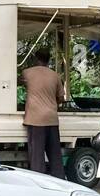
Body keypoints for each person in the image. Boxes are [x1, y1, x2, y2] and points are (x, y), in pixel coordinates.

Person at [21, 47, 67, 178]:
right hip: (52, 119)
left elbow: (17, 84)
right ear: (48, 60)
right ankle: (59, 180)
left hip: (35, 120)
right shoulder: (55, 75)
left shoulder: (27, 73)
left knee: (37, 156)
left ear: (36, 59)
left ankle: (39, 181)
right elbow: (61, 99)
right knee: (55, 154)